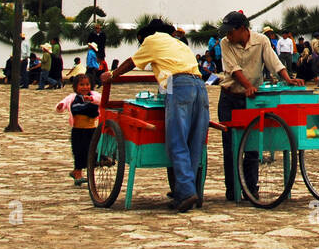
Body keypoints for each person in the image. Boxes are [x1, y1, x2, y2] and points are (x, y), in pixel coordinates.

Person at [102, 19, 208, 213]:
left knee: (177, 141)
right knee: (194, 143)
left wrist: (112, 75)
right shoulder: (178, 42)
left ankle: (185, 192)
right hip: (200, 86)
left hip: (178, 85)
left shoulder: (152, 40)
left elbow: (130, 63)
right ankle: (187, 190)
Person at [217, 11, 304, 203]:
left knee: (252, 145)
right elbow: (234, 69)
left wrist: (288, 79)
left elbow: (274, 62)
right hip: (230, 98)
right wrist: (248, 86)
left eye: (230, 31)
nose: (228, 36)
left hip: (250, 100)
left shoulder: (261, 41)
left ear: (242, 29)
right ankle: (233, 190)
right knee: (231, 146)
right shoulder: (225, 43)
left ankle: (251, 189)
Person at [56, 74, 101, 186]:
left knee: (92, 148)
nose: (85, 87)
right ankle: (78, 173)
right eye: (81, 85)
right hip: (78, 130)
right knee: (79, 152)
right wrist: (60, 106)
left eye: (87, 84)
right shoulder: (72, 97)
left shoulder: (94, 95)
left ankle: (98, 160)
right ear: (75, 87)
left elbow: (100, 100)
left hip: (91, 129)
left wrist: (91, 99)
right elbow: (64, 103)